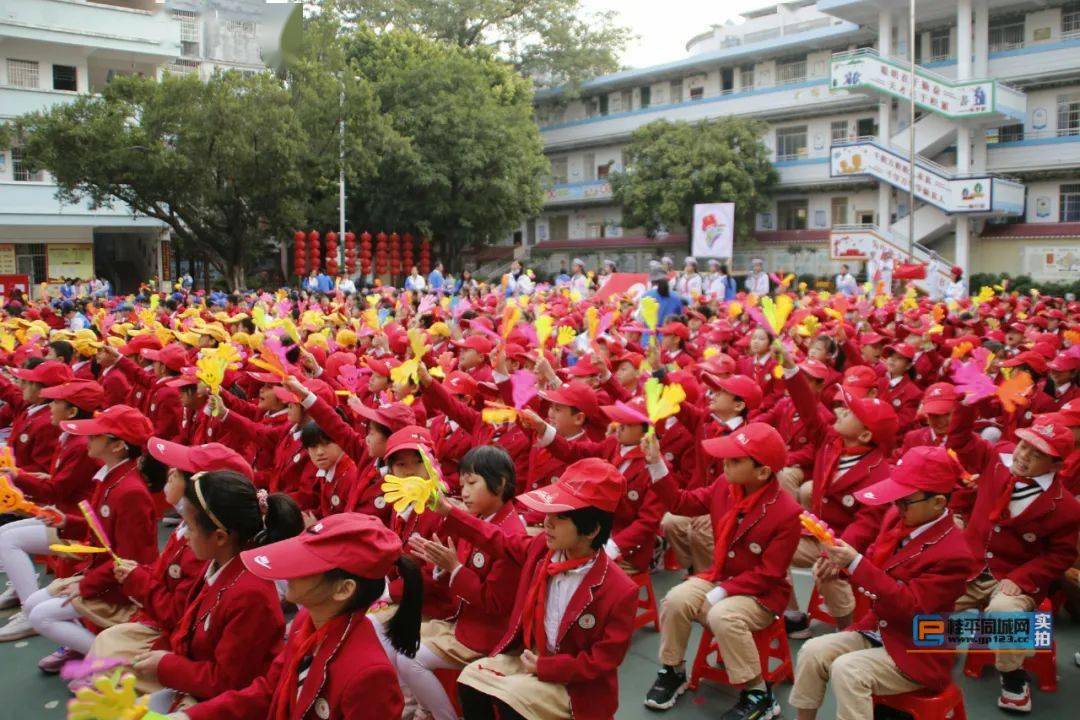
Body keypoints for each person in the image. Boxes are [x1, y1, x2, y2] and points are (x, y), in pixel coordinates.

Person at [430, 458, 637, 720]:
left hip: (573, 683)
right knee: (469, 681)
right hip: (530, 657)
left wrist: (547, 667)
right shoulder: (543, 549)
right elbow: (498, 540)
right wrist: (448, 511)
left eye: (560, 517)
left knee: (513, 703)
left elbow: (602, 660)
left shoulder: (619, 589)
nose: (547, 522)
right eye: (549, 513)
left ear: (592, 529)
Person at [170, 513, 421, 719]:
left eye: (306, 565)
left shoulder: (368, 674)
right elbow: (271, 690)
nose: (290, 570)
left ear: (343, 590)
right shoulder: (306, 621)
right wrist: (191, 717)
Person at [788, 447, 976, 720]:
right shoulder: (898, 518)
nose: (896, 506)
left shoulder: (954, 553)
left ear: (937, 503)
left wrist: (855, 563)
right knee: (812, 651)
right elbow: (876, 564)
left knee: (847, 669)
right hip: (881, 630)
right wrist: (839, 568)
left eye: (904, 501)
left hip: (918, 647)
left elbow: (911, 606)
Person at [644, 424, 800, 717]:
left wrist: (722, 592)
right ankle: (673, 669)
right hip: (721, 577)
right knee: (676, 599)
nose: (724, 463)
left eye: (735, 460)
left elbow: (770, 573)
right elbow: (681, 502)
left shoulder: (787, 512)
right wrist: (655, 464)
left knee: (722, 615)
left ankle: (759, 693)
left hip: (761, 594)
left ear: (763, 472)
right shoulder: (724, 488)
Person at [394, 446, 525, 720]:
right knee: (397, 641)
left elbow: (495, 603)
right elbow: (457, 565)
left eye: (472, 483)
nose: (463, 492)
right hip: (461, 619)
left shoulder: (511, 533)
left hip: (485, 632)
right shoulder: (476, 519)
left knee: (409, 657)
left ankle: (441, 714)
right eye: (462, 482)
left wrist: (454, 568)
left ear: (500, 483)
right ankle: (422, 708)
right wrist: (444, 565)